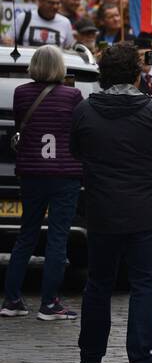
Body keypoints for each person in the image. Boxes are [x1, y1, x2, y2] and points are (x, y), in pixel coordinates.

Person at [71, 43, 152, 363]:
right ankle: (140, 361)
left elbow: (76, 151)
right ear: (137, 75)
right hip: (145, 212)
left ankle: (90, 357)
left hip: (102, 211)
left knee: (98, 284)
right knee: (144, 286)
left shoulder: (84, 111)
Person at [0, 46, 84, 321]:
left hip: (32, 172)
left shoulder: (21, 93)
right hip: (64, 174)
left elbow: (20, 126)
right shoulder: (73, 95)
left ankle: (12, 299)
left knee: (26, 236)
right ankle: (50, 303)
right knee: (57, 239)